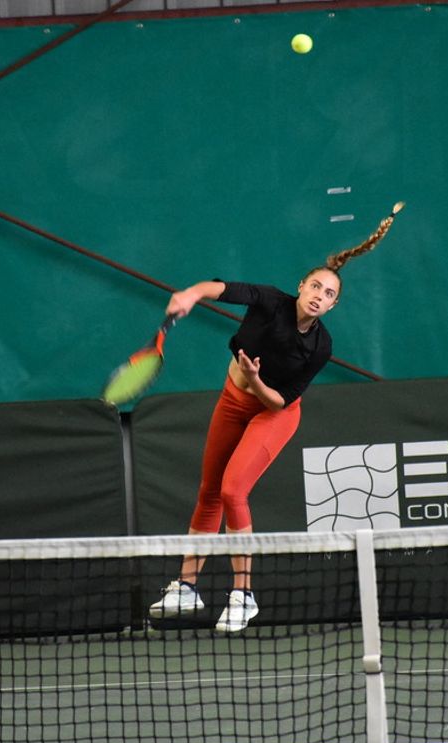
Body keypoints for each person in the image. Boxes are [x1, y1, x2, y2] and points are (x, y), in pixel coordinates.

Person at [148, 203, 404, 633]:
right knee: (209, 492)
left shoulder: (319, 347)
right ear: (301, 286)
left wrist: (255, 378)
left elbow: (279, 403)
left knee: (233, 490)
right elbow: (222, 288)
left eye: (329, 294)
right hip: (232, 401)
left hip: (274, 414)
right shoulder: (269, 301)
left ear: (333, 305)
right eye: (316, 286)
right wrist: (190, 294)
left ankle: (243, 596)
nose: (319, 295)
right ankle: (187, 587)